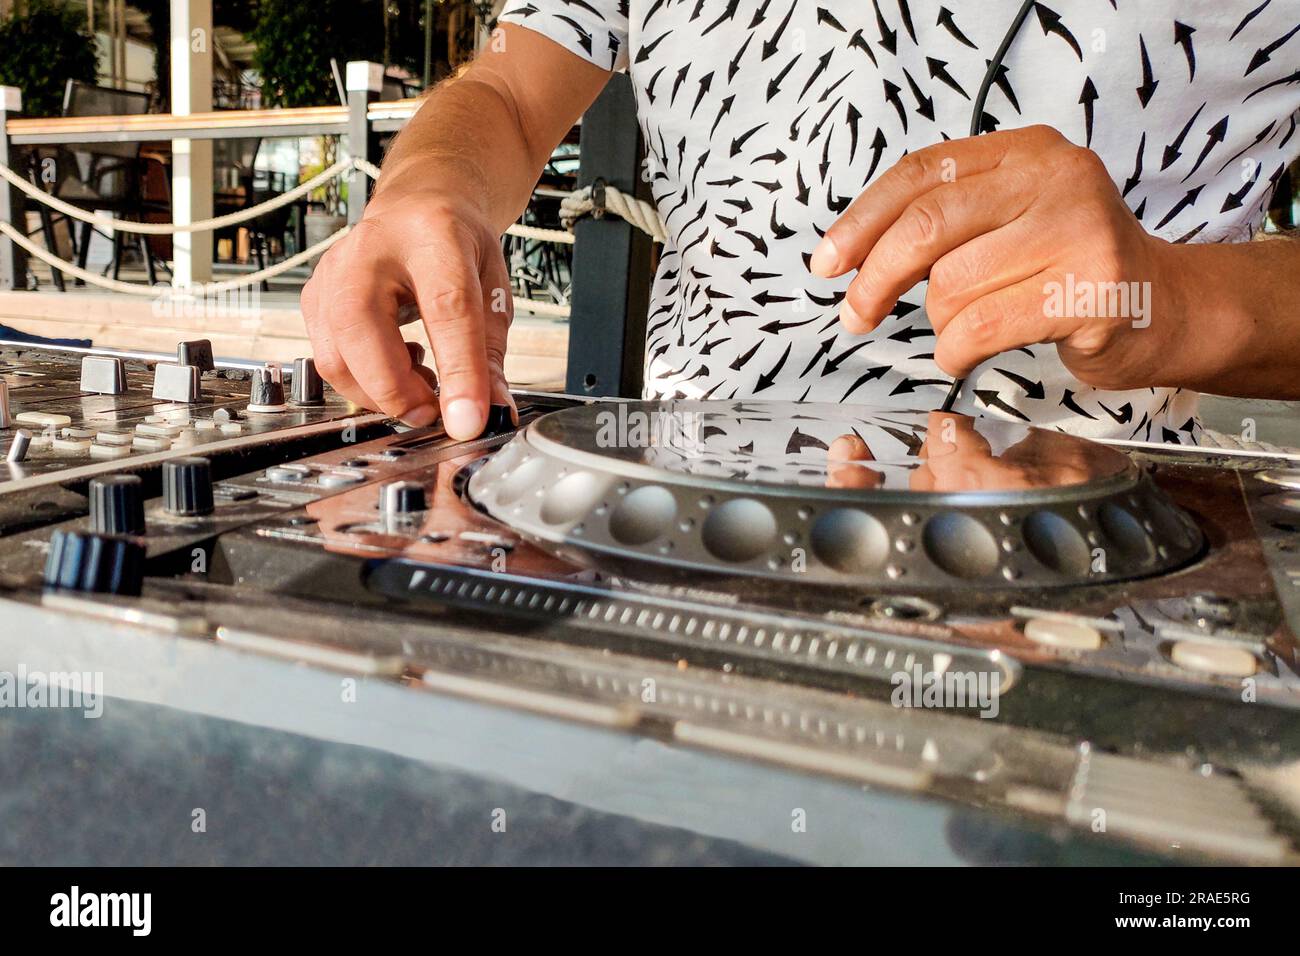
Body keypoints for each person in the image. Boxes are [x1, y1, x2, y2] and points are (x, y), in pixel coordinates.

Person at [301, 2, 1300, 445]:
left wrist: (1171, 300)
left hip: (1092, 588)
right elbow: (513, 92)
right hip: (675, 562)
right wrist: (428, 186)